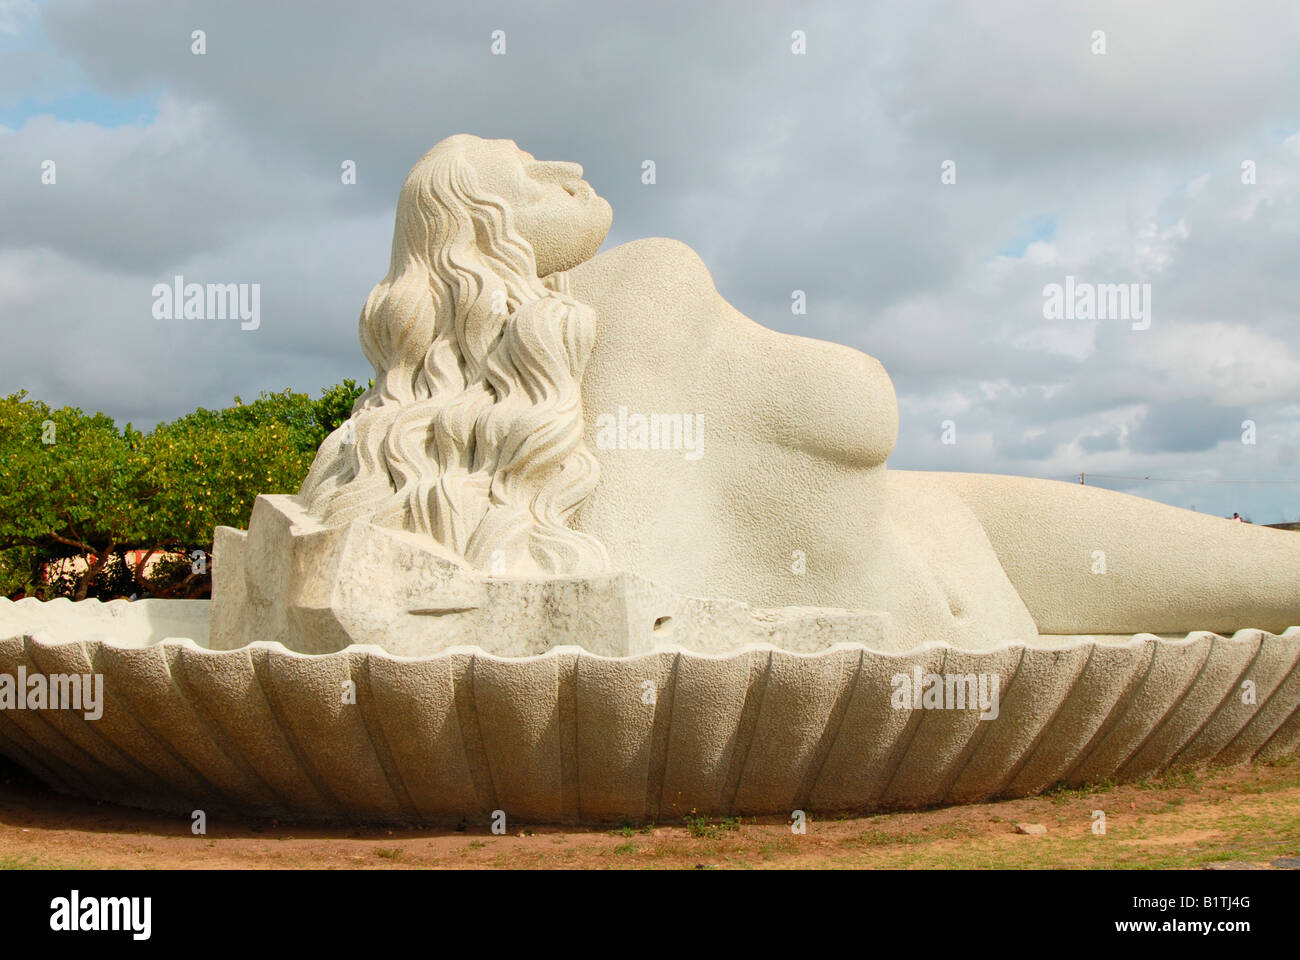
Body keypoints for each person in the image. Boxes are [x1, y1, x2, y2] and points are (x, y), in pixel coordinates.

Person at [300, 135, 1300, 644]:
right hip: (954, 587)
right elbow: (631, 609)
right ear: (482, 232)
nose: (564, 166)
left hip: (953, 533)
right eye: (525, 175)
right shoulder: (646, 291)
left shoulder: (391, 439)